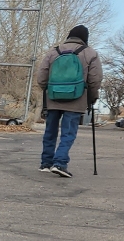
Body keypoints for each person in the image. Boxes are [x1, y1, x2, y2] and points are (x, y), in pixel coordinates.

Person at [33, 25, 103, 176]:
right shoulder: (90, 53)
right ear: (86, 38)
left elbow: (41, 77)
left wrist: (48, 89)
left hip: (53, 97)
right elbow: (95, 80)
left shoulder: (54, 51)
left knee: (50, 131)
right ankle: (59, 163)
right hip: (76, 98)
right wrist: (92, 97)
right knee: (68, 132)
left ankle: (46, 163)